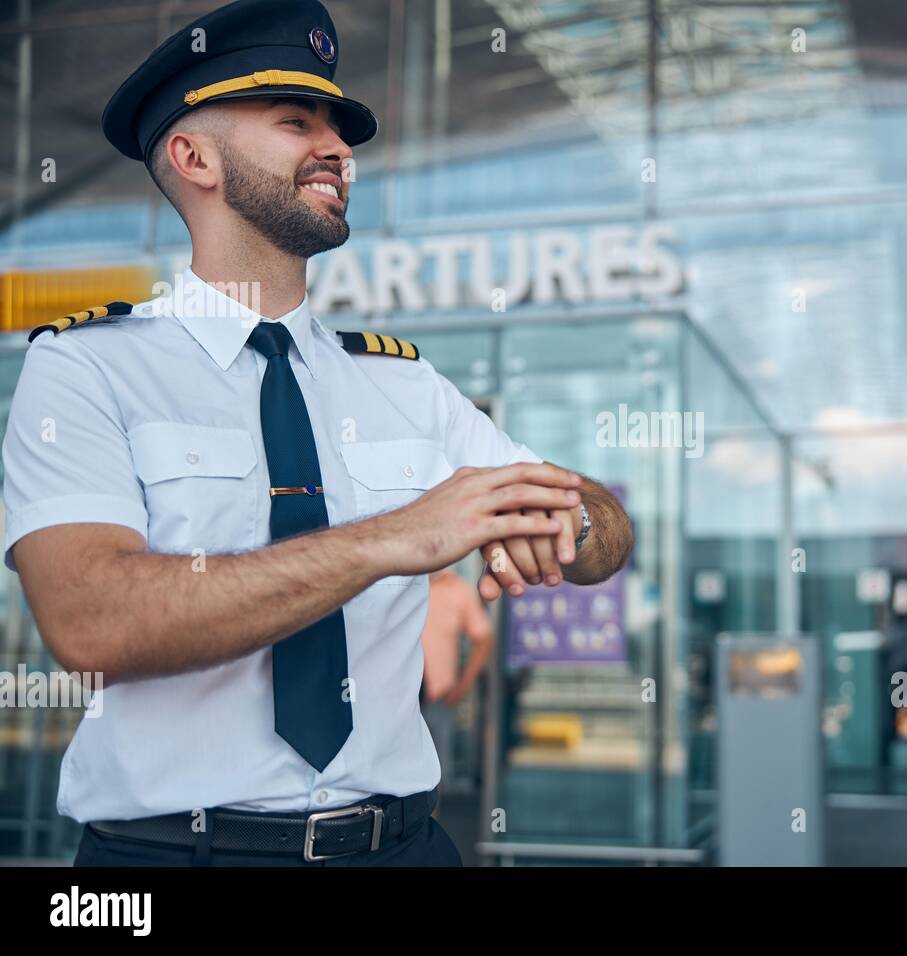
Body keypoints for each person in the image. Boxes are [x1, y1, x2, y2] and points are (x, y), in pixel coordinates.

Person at [0, 0, 632, 867]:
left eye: (338, 127)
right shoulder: (85, 370)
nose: (337, 149)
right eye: (295, 122)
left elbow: (601, 532)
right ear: (194, 158)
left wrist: (571, 525)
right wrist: (394, 540)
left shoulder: (404, 383)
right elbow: (93, 622)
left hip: (403, 847)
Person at [419, 569, 496, 793]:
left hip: (437, 696)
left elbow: (484, 638)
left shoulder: (458, 589)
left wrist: (464, 685)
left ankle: (430, 825)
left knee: (432, 780)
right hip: (391, 697)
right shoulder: (395, 578)